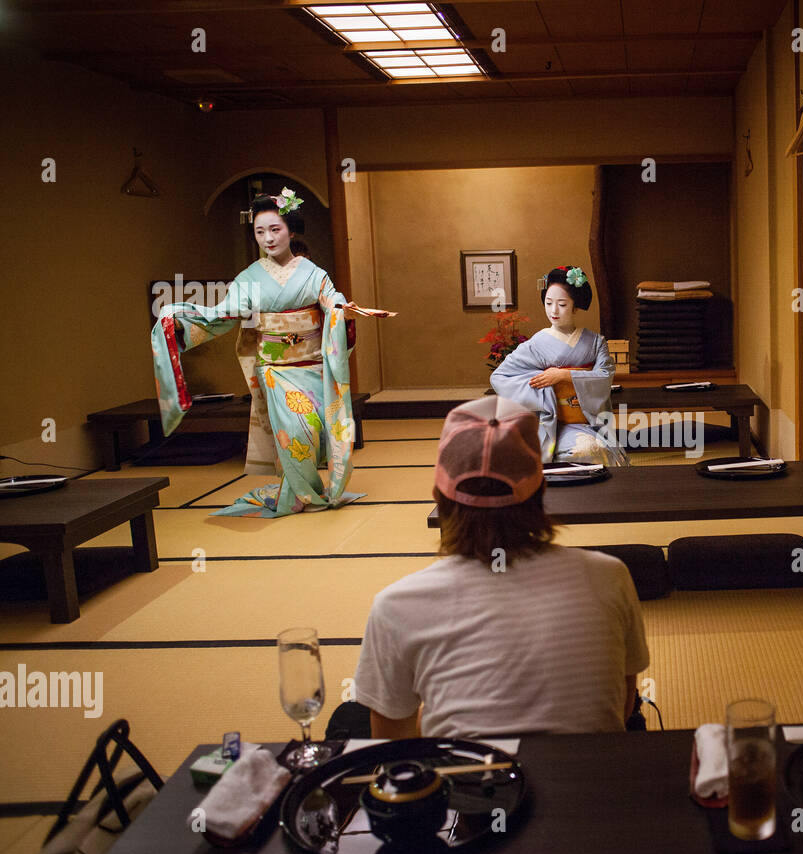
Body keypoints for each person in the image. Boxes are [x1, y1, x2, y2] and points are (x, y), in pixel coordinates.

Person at [352, 395, 649, 739]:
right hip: (589, 783)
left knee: (350, 717)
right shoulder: (610, 575)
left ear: (438, 495)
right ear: (542, 487)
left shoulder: (396, 605)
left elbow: (394, 747)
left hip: (469, 785)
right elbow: (622, 705)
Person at [149, 188, 362, 517]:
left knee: (317, 429)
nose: (268, 238)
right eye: (260, 231)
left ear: (291, 230)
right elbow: (225, 314)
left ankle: (298, 491)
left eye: (275, 229)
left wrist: (339, 307)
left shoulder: (314, 273)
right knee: (295, 430)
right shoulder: (248, 278)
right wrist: (182, 322)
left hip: (315, 365)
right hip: (275, 369)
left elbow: (330, 299)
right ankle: (300, 495)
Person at [489, 265, 629, 466]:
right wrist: (545, 393)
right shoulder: (536, 344)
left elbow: (605, 376)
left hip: (589, 422)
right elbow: (500, 377)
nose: (553, 310)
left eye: (562, 304)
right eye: (548, 303)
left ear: (575, 306)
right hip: (552, 425)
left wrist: (563, 376)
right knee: (582, 451)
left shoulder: (596, 342)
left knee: (600, 450)